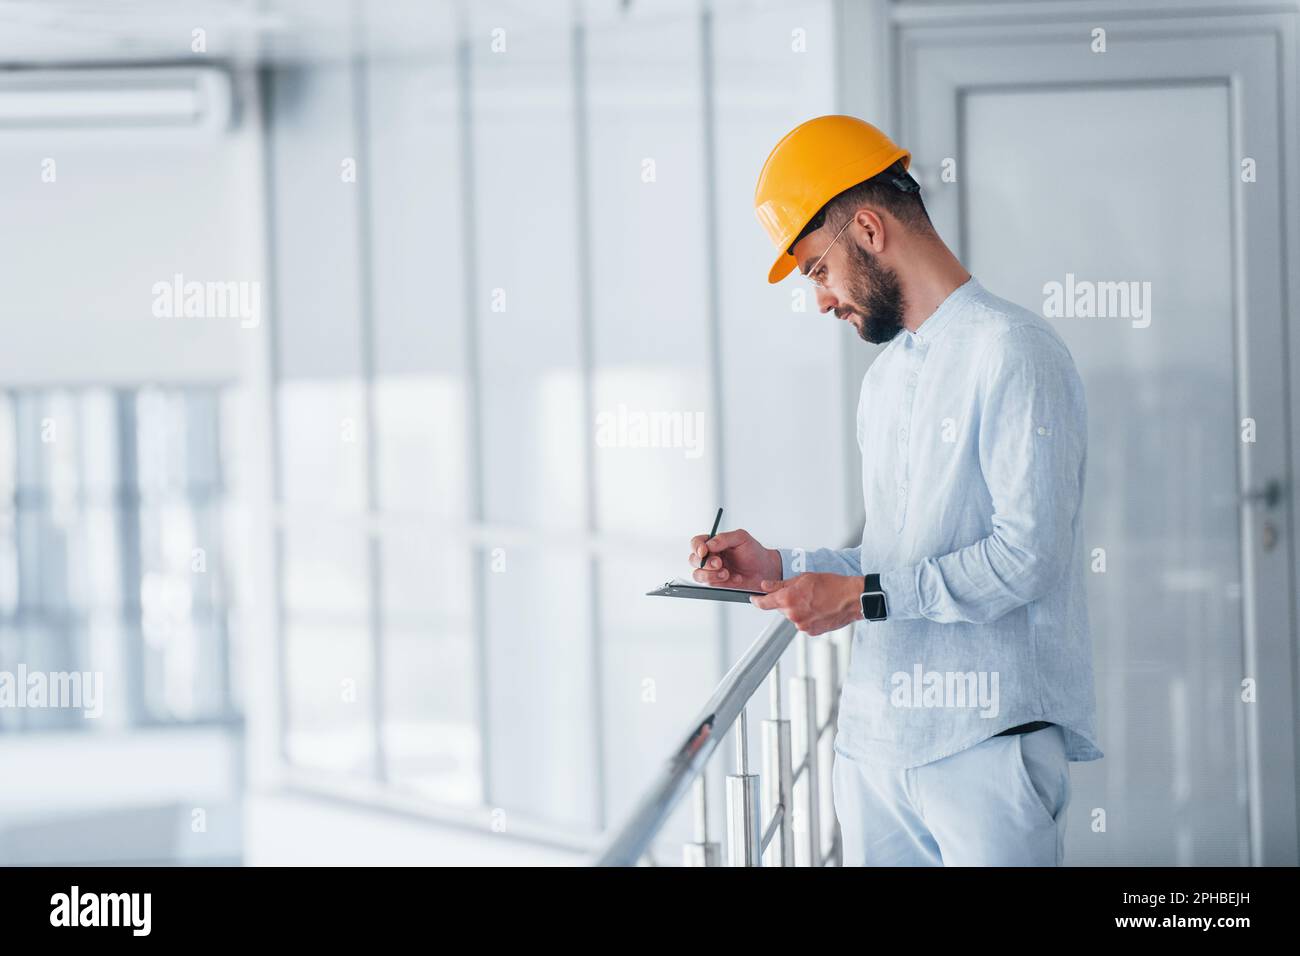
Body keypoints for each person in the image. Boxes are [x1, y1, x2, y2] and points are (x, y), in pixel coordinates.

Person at [688, 115, 1102, 866]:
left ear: (869, 230)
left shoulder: (1016, 351)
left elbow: (1028, 559)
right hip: (873, 749)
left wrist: (859, 598)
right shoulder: (883, 382)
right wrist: (782, 565)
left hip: (985, 747)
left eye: (818, 270)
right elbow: (894, 559)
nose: (820, 300)